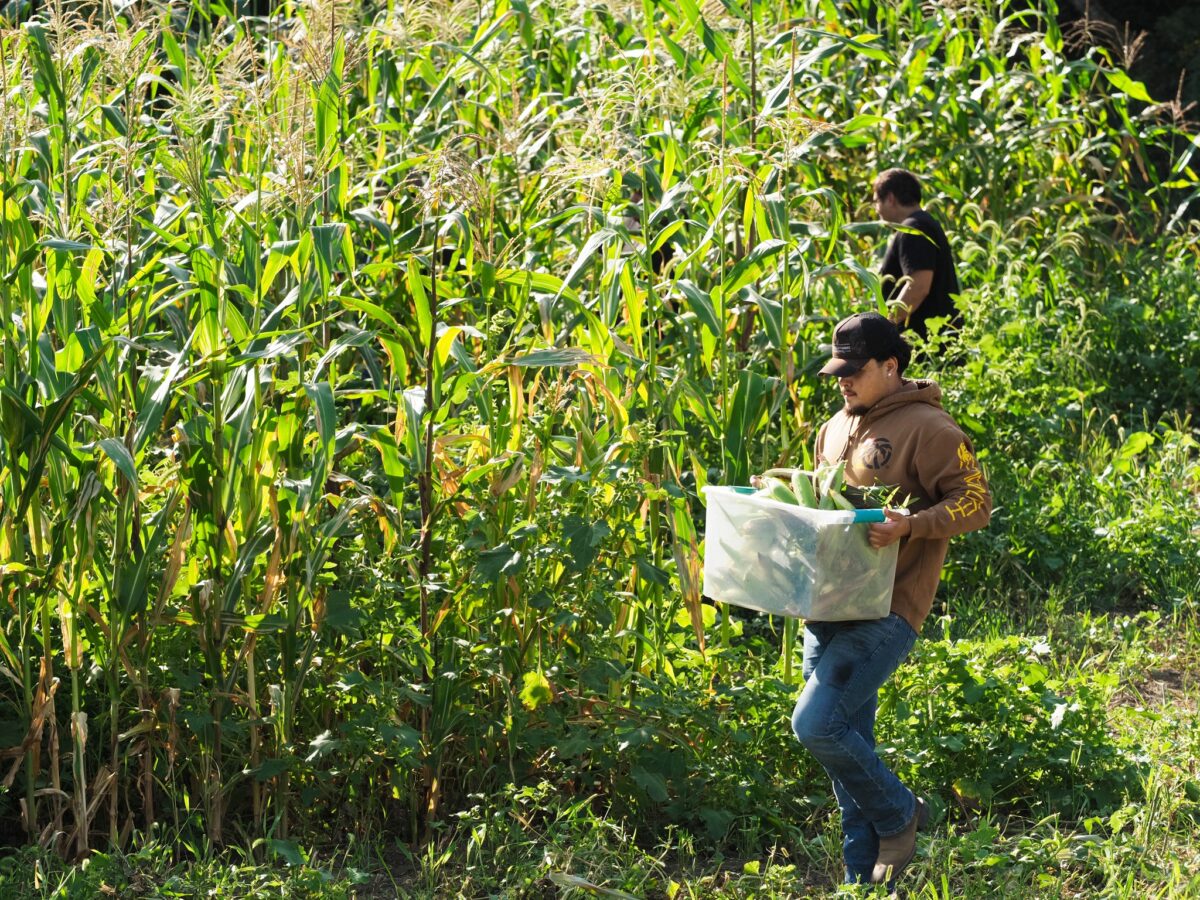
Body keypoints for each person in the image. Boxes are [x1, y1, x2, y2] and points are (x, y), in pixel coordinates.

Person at [791, 311, 991, 887]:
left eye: (855, 371)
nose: (843, 382)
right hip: (827, 606)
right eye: (838, 372)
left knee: (816, 724)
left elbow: (976, 502)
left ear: (890, 365)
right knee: (847, 747)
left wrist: (912, 525)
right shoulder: (833, 428)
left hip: (887, 609)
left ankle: (901, 812)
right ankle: (862, 881)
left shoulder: (932, 428)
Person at [874, 168, 962, 342]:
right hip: (935, 339)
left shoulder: (914, 228)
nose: (876, 209)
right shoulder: (925, 223)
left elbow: (919, 286)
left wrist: (885, 327)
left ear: (890, 198)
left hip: (925, 343)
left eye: (877, 201)